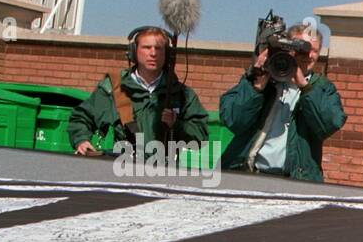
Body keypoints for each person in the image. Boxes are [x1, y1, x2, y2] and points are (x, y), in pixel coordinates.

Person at [220, 23, 347, 182]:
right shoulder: (263, 80)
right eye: (301, 49)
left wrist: (305, 87)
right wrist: (256, 87)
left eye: (313, 50)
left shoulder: (321, 88)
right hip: (249, 175)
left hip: (296, 181)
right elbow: (233, 120)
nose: (307, 55)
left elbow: (328, 124)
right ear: (287, 47)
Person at [69, 26, 208, 157]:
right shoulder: (115, 88)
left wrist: (177, 124)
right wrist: (82, 140)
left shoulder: (181, 94)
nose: (153, 53)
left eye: (158, 48)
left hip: (164, 172)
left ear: (167, 54)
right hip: (123, 169)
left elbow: (201, 137)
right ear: (134, 51)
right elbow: (81, 117)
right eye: (147, 47)